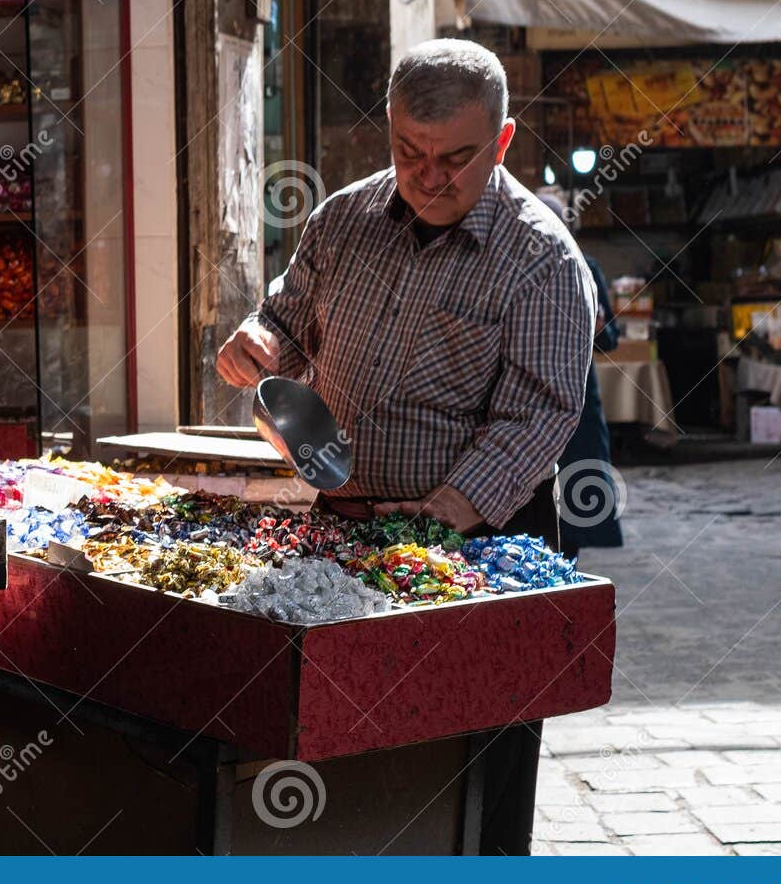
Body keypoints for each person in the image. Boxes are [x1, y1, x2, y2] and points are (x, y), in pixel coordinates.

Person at [217, 38, 597, 540]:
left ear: (501, 142)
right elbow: (285, 324)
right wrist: (258, 342)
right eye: (410, 152)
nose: (431, 178)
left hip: (480, 536)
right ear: (391, 124)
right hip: (341, 520)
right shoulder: (341, 220)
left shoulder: (543, 259)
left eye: (457, 160)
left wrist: (454, 505)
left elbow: (536, 415)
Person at [537, 191, 623, 552]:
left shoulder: (586, 266)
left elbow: (610, 340)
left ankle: (571, 562)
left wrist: (598, 327)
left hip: (577, 398)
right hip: (530, 398)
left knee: (578, 486)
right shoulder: (512, 270)